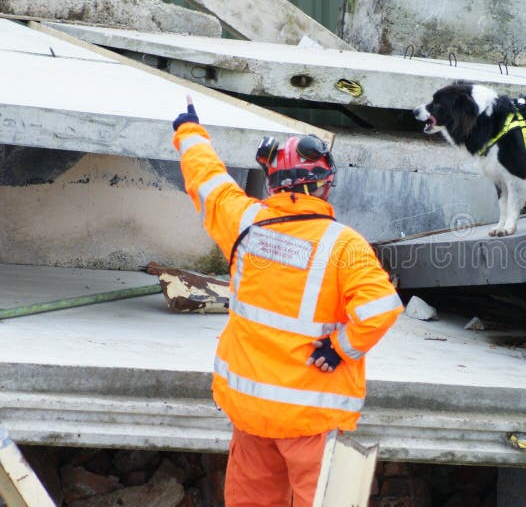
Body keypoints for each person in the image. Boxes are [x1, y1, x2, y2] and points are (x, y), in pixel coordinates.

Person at [172, 97, 403, 506]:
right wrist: (339, 348)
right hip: (310, 418)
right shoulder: (344, 245)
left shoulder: (244, 223)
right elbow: (380, 308)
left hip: (251, 412)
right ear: (324, 184)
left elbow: (207, 180)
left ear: (273, 181)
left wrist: (189, 130)